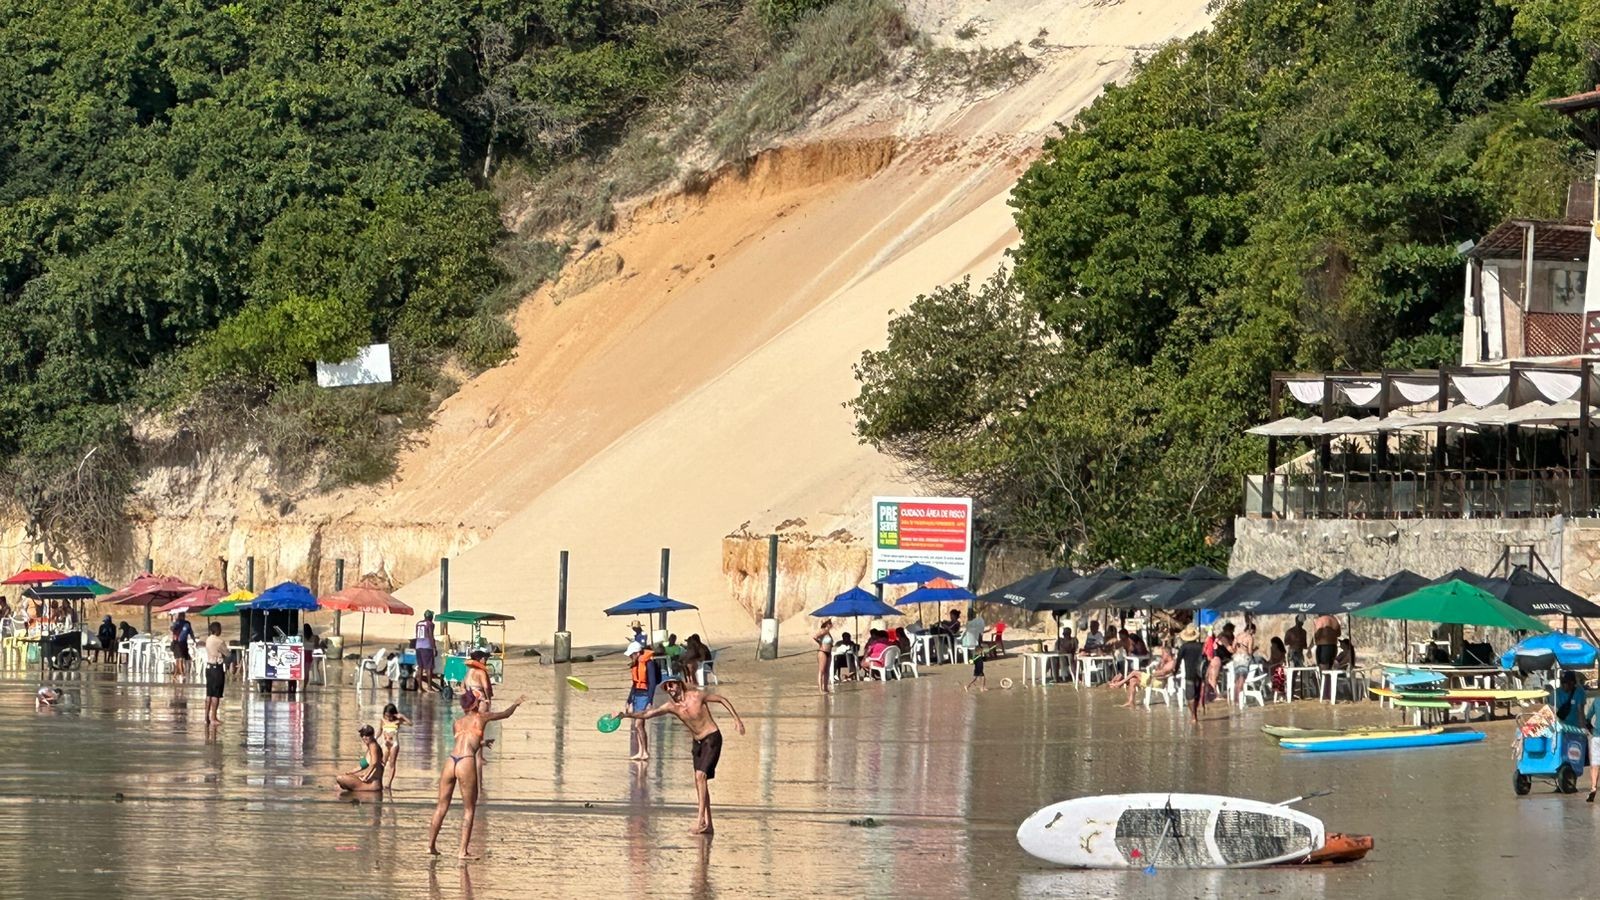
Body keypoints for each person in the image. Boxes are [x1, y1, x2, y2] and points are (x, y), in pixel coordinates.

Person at [618, 677, 743, 835]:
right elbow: (648, 713)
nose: (670, 689)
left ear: (679, 684)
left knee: (700, 777)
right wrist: (626, 715)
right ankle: (709, 824)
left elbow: (721, 699)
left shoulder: (697, 696)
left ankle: (699, 821)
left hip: (712, 738)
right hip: (696, 743)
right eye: (666, 687)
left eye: (671, 685)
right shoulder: (672, 706)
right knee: (700, 782)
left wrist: (737, 720)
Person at [427, 694, 525, 858]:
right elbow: (505, 714)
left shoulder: (457, 723)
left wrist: (482, 743)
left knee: (441, 806)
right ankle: (462, 851)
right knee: (469, 809)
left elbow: (465, 740)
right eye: (478, 701)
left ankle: (430, 846)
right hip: (466, 761)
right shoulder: (481, 717)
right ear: (474, 705)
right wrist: (515, 704)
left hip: (451, 761)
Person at [625, 641, 658, 761]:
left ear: (638, 653)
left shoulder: (649, 664)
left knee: (638, 724)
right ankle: (641, 751)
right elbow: (634, 684)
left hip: (645, 696)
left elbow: (653, 683)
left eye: (631, 654)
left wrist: (650, 701)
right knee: (638, 726)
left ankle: (645, 752)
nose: (630, 657)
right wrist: (629, 701)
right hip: (636, 696)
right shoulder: (635, 664)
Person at [335, 724, 385, 793]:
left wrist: (365, 777)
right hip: (370, 782)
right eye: (362, 735)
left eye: (367, 735)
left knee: (340, 778)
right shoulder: (370, 746)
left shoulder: (373, 746)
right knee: (339, 785)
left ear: (372, 735)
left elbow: (374, 763)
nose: (364, 737)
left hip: (372, 784)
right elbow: (363, 765)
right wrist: (350, 772)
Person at [1177, 624, 1206, 724]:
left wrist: (1175, 671)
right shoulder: (1201, 646)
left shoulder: (1184, 647)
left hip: (1189, 673)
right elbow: (1205, 659)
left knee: (1189, 696)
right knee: (1197, 695)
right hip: (1199, 673)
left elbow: (1178, 661)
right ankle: (1195, 715)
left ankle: (1193, 715)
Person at [379, 703, 413, 790]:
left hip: (394, 744)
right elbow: (380, 731)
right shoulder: (382, 720)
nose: (388, 717)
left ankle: (388, 783)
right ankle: (379, 781)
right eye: (386, 715)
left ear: (393, 714)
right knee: (382, 763)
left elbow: (410, 724)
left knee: (392, 764)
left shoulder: (397, 721)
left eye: (389, 715)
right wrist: (374, 739)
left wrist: (402, 716)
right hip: (385, 744)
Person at [203, 621, 227, 725]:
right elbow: (227, 653)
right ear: (218, 629)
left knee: (209, 693)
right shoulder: (219, 641)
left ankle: (206, 717)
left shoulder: (208, 639)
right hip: (217, 668)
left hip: (208, 668)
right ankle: (213, 718)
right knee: (216, 694)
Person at [415, 610, 437, 692]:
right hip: (427, 647)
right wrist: (434, 647)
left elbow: (416, 634)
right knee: (429, 667)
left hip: (418, 646)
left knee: (420, 667)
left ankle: (420, 687)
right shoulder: (430, 624)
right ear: (431, 617)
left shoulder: (418, 623)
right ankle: (429, 686)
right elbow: (431, 636)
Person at [169, 612, 195, 680]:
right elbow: (172, 629)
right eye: (181, 615)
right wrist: (173, 621)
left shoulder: (187, 623)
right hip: (177, 643)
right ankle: (182, 674)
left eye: (183, 615)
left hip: (184, 643)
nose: (182, 616)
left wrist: (193, 639)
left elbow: (191, 632)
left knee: (180, 659)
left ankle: (175, 674)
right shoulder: (177, 623)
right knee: (180, 659)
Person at [814, 619, 834, 695]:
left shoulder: (828, 632)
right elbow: (815, 636)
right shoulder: (823, 630)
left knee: (827, 671)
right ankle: (820, 689)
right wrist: (820, 643)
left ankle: (826, 687)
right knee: (821, 670)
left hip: (829, 652)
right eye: (830, 623)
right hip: (822, 652)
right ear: (827, 624)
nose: (831, 624)